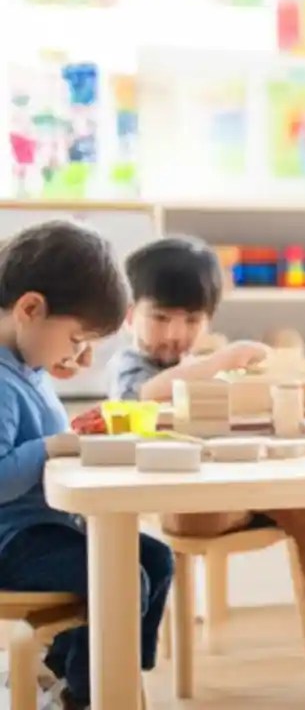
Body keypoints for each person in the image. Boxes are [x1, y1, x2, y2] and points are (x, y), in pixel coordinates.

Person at [108, 235, 305, 650]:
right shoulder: (131, 366)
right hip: (182, 503)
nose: (175, 333)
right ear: (130, 317)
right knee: (299, 504)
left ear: (209, 321)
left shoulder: (192, 366)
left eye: (191, 320)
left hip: (228, 490)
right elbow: (142, 396)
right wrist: (217, 362)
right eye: (161, 318)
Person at [0, 220, 172, 710]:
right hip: (12, 541)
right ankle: (90, 692)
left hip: (44, 528)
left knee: (155, 561)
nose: (78, 354)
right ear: (30, 309)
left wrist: (73, 428)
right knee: (122, 578)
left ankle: (103, 674)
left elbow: (40, 433)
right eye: (76, 339)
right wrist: (56, 445)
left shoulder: (26, 363)